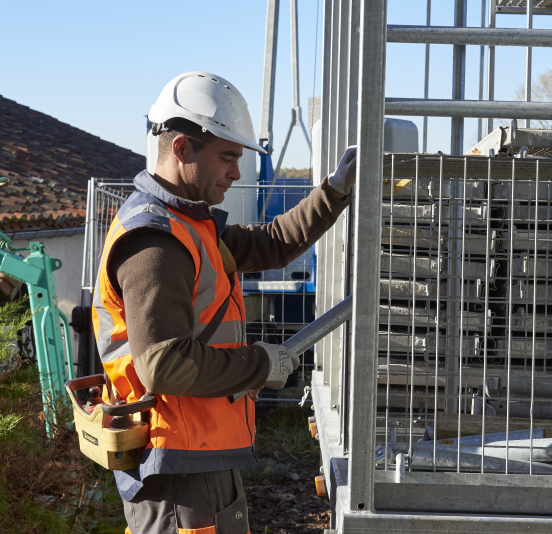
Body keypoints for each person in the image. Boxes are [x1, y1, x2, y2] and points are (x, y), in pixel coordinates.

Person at [92, 71, 356, 534]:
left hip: (195, 452)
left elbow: (272, 242)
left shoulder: (191, 226)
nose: (236, 172)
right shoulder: (155, 242)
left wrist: (334, 191)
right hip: (174, 469)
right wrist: (260, 364)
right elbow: (163, 364)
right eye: (227, 157)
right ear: (181, 149)